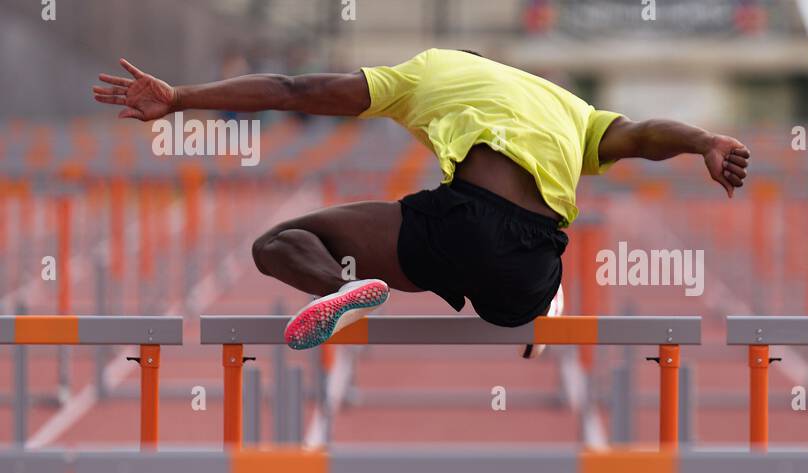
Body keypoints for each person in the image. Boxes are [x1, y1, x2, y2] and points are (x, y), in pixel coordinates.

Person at [93, 51, 749, 355]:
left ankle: (338, 291)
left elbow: (293, 89)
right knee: (511, 296)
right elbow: (640, 136)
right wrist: (704, 142)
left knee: (279, 245)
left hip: (453, 229)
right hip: (531, 258)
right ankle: (545, 298)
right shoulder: (570, 107)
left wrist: (179, 98)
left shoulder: (426, 73)